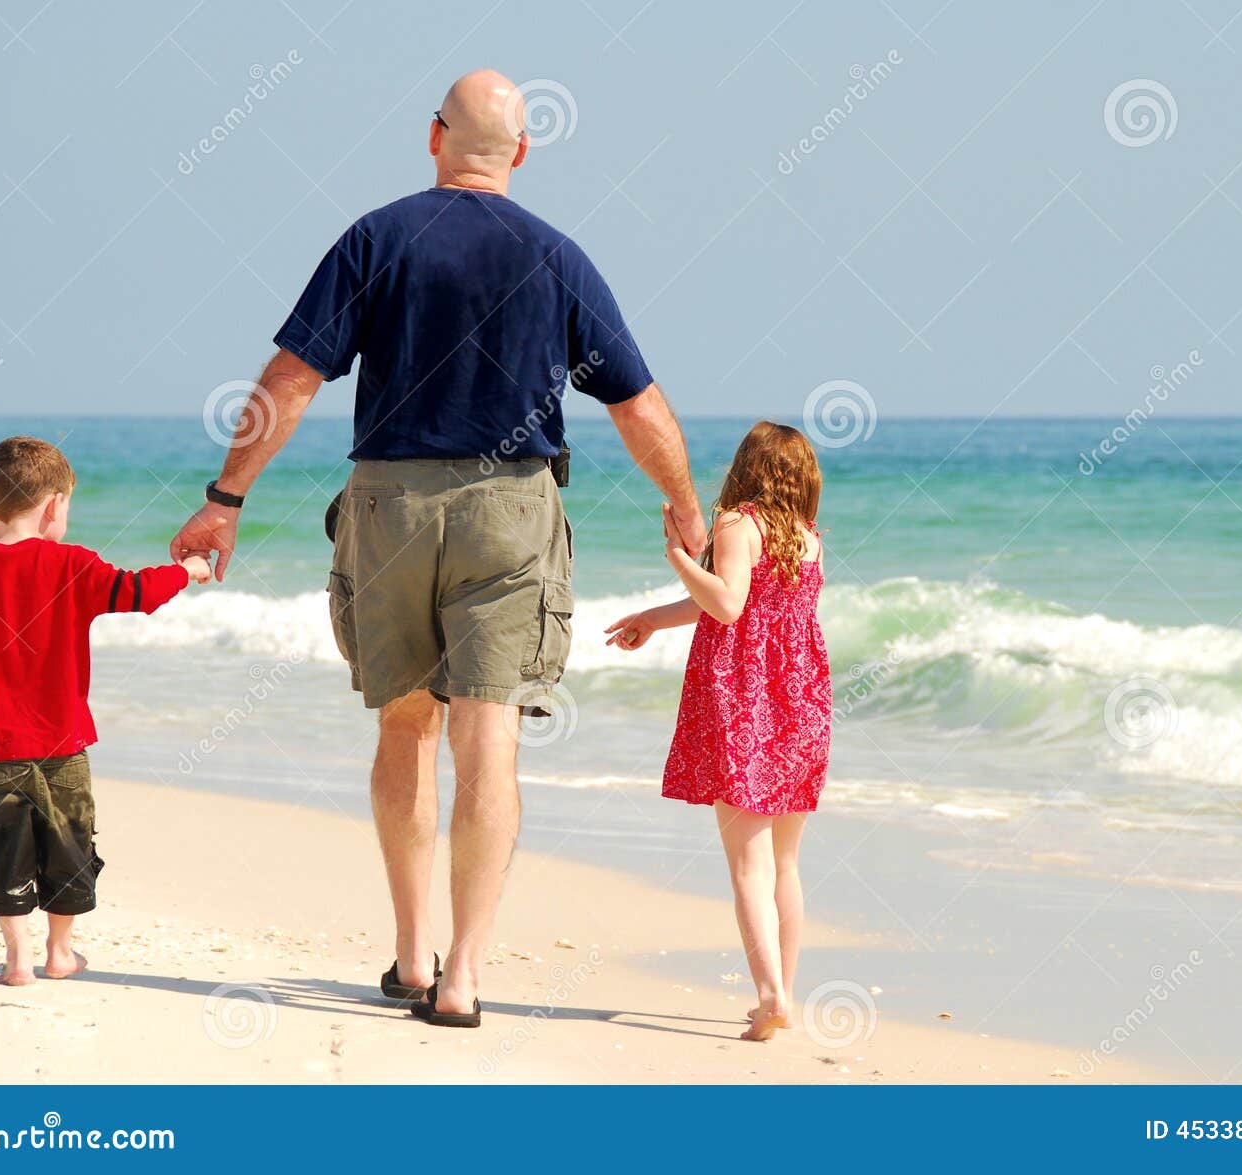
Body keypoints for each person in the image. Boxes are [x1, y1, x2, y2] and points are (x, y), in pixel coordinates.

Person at [169, 69, 704, 1028]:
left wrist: (226, 497)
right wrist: (687, 507)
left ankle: (412, 952)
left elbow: (293, 378)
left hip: (391, 505)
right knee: (488, 736)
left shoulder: (377, 238)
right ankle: (461, 976)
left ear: (433, 137)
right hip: (511, 510)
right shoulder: (556, 255)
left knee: (405, 725)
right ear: (523, 152)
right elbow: (637, 402)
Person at [0, 436, 211, 986]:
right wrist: (187, 570)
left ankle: (17, 958)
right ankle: (60, 952)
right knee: (69, 848)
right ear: (54, 507)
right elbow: (138, 592)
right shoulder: (73, 564)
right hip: (62, 744)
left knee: (1, 850)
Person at [605, 422, 831, 1040]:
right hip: (802, 704)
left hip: (746, 703)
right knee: (785, 862)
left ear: (746, 467)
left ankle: (770, 997)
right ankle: (783, 993)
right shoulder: (808, 538)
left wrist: (678, 558)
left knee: (749, 866)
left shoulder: (737, 523)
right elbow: (741, 601)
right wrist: (654, 617)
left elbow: (728, 604)